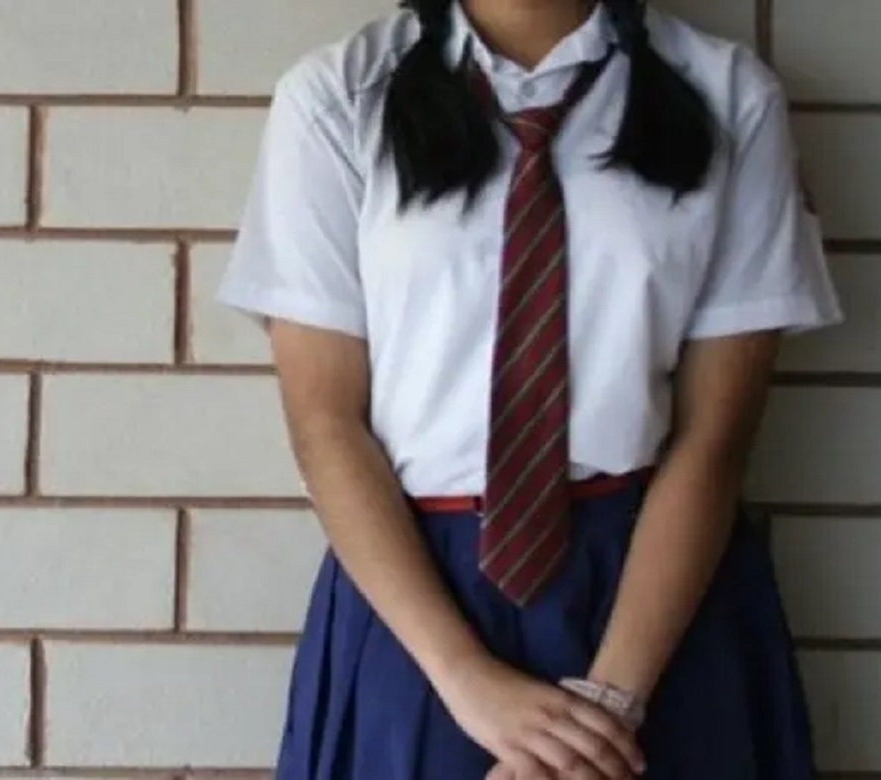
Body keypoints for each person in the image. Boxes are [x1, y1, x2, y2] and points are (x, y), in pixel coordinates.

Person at [216, 0, 843, 777]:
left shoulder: (728, 95)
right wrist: (467, 680)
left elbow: (715, 437)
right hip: (417, 600)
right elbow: (325, 425)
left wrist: (610, 708)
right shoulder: (337, 98)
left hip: (651, 593)